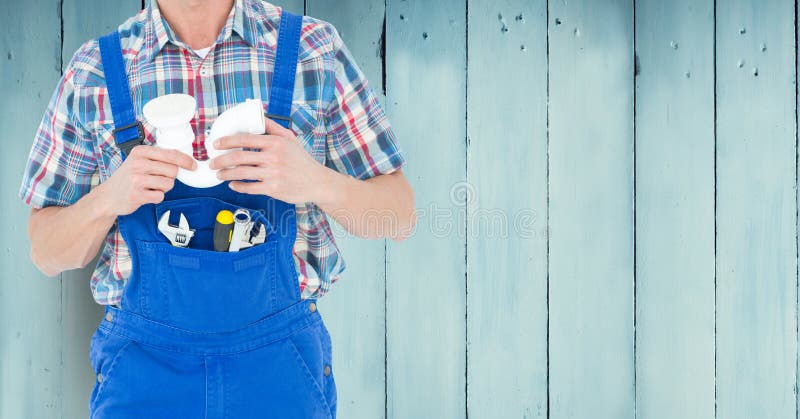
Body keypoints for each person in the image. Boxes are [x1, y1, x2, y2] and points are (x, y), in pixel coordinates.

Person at [18, 0, 415, 417]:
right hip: (145, 377)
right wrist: (108, 198)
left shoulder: (311, 50)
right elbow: (46, 251)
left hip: (278, 374)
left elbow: (399, 215)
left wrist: (314, 180)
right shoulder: (95, 71)